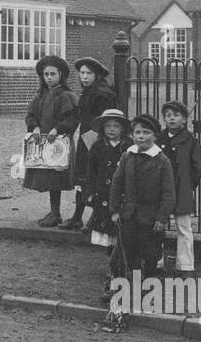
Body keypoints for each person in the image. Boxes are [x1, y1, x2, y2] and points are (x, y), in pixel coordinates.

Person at [109, 113, 175, 284]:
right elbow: (117, 183)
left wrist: (162, 217)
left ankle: (149, 285)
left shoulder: (162, 161)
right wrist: (115, 210)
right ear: (132, 135)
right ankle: (120, 284)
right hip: (129, 214)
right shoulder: (127, 156)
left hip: (150, 218)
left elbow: (168, 192)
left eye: (146, 132)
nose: (141, 136)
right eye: (137, 132)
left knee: (149, 254)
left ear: (155, 135)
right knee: (125, 251)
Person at [23, 55, 79, 227]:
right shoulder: (39, 96)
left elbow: (72, 118)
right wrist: (35, 128)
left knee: (56, 177)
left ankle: (56, 214)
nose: (49, 77)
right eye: (46, 74)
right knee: (47, 177)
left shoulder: (66, 96)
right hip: (43, 142)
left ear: (60, 74)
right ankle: (54, 211)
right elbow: (30, 116)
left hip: (58, 143)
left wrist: (58, 129)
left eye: (52, 74)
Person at [64, 57, 117, 229]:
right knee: (83, 178)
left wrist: (93, 142)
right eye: (82, 73)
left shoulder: (101, 94)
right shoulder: (89, 92)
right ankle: (78, 216)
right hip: (86, 139)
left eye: (89, 73)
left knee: (94, 178)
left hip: (96, 141)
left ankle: (94, 218)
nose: (85, 77)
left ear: (97, 75)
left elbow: (104, 121)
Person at [158, 99, 201, 273]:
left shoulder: (191, 141)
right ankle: (157, 261)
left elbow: (197, 168)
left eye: (176, 115)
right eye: (168, 115)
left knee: (184, 228)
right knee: (157, 226)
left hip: (182, 189)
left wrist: (188, 184)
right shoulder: (158, 139)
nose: (172, 119)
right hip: (160, 190)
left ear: (184, 119)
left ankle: (185, 265)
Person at [83, 108, 129, 249]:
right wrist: (90, 191)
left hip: (121, 190)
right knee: (104, 218)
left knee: (121, 224)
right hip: (102, 189)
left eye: (116, 126)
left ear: (122, 128)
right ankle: (111, 257)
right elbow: (91, 170)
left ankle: (130, 267)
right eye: (108, 126)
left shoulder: (128, 146)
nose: (112, 130)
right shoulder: (98, 146)